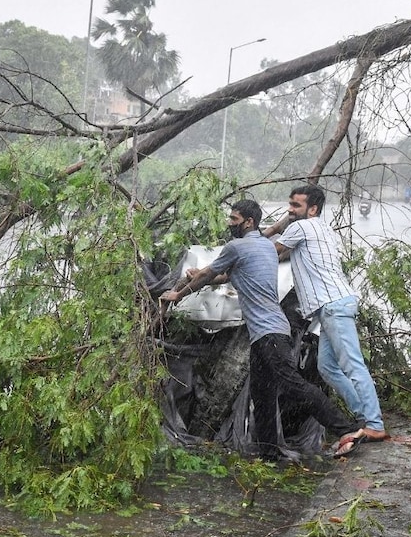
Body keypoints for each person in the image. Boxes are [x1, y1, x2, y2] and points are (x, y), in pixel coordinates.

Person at [160, 199, 358, 461]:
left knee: (292, 384)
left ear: (248, 222)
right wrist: (201, 275)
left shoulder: (236, 247)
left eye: (233, 219)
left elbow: (208, 275)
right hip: (268, 333)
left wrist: (177, 294)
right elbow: (224, 276)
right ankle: (269, 453)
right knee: (262, 395)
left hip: (269, 333)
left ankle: (348, 430)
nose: (229, 224)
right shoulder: (264, 247)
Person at [265, 184, 390, 455]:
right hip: (334, 305)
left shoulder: (300, 228)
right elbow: (289, 254)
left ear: (313, 209)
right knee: (328, 367)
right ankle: (363, 417)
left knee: (353, 365)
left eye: (296, 206)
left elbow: (267, 251)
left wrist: (269, 231)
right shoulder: (323, 230)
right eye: (290, 204)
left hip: (332, 306)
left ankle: (375, 424)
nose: (290, 210)